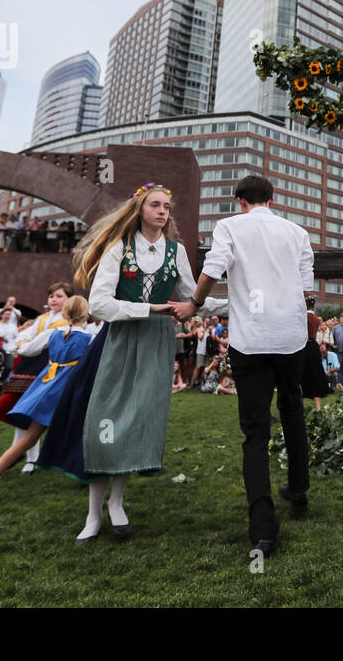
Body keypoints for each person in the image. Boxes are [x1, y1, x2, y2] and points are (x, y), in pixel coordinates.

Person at [37, 183, 215, 545]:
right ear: (140, 209)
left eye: (167, 206)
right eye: (155, 205)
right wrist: (151, 308)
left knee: (135, 424)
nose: (163, 211)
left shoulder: (176, 250)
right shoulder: (119, 248)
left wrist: (238, 302)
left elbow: (191, 298)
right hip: (117, 342)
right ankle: (92, 514)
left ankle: (117, 503)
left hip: (156, 344)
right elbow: (100, 305)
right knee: (105, 422)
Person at [174, 175, 313, 560]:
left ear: (240, 201)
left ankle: (263, 531)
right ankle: (299, 490)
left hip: (251, 340)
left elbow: (214, 267)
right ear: (272, 199)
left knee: (255, 432)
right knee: (292, 409)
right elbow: (307, 291)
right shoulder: (298, 233)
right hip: (290, 337)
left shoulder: (229, 227)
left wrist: (195, 303)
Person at [0, 296, 94, 503]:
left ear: (64, 314)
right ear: (86, 314)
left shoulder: (51, 333)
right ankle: (85, 472)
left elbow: (26, 350)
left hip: (46, 386)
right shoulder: (90, 338)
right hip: (69, 391)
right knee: (84, 431)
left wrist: (23, 340)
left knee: (30, 438)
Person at [0, 284, 74, 474]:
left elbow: (34, 343)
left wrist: (23, 344)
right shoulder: (43, 319)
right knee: (25, 413)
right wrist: (23, 341)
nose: (53, 299)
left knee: (41, 415)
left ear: (69, 299)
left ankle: (35, 456)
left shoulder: (68, 321)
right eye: (51, 295)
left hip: (53, 370)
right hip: (34, 370)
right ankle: (28, 457)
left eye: (59, 296)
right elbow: (24, 336)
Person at [301, 297, 332, 410]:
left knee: (302, 373)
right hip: (314, 346)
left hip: (304, 346)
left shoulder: (304, 317)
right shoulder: (316, 318)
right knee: (315, 373)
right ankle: (318, 407)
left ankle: (301, 404)